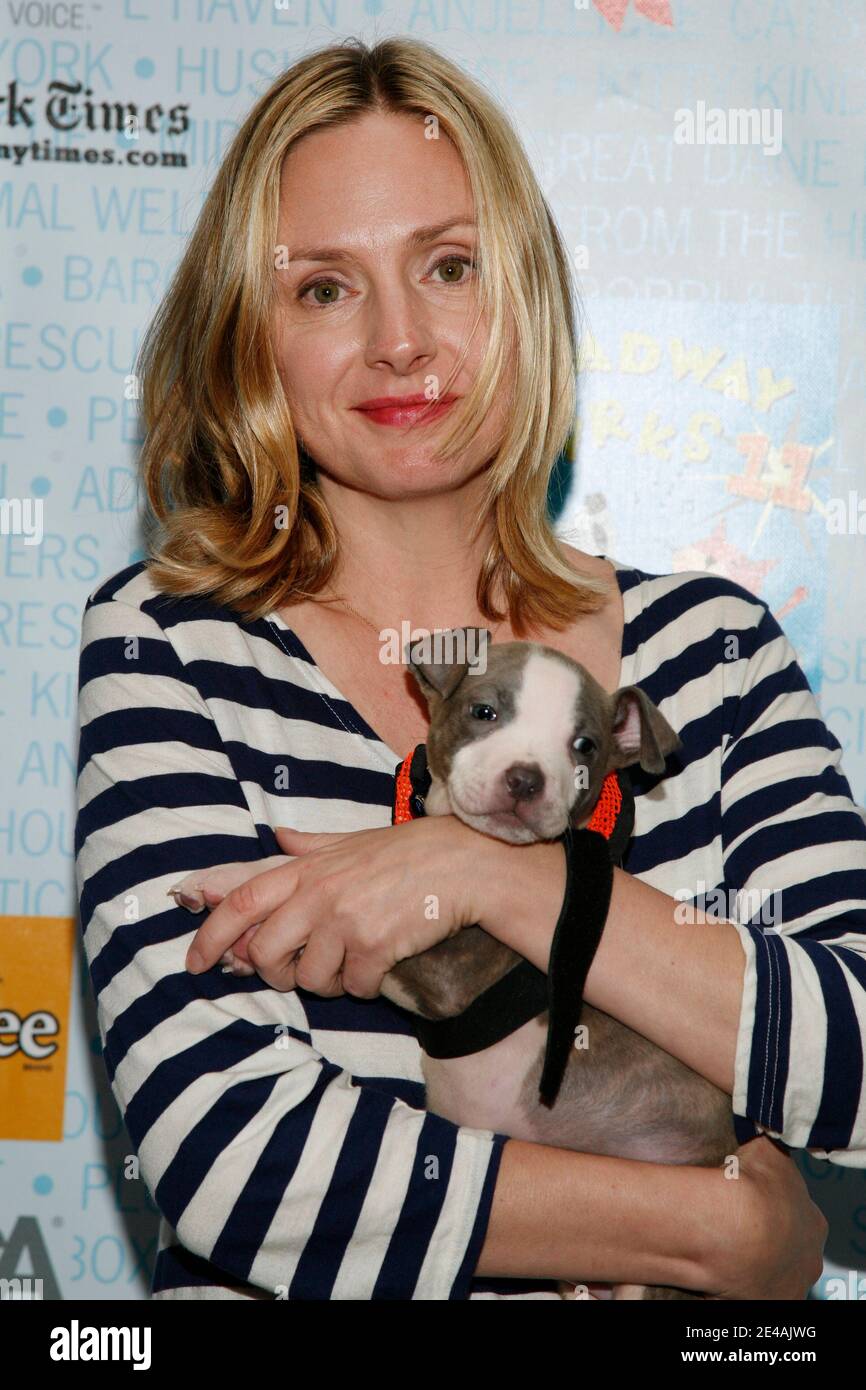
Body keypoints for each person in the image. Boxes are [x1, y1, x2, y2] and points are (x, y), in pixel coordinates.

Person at [74, 36, 855, 1302]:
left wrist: (471, 871)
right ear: (249, 333)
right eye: (323, 288)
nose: (398, 340)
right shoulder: (173, 645)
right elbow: (235, 1161)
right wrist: (705, 1232)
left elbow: (858, 1058)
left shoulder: (709, 651)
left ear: (526, 294)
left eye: (448, 266)